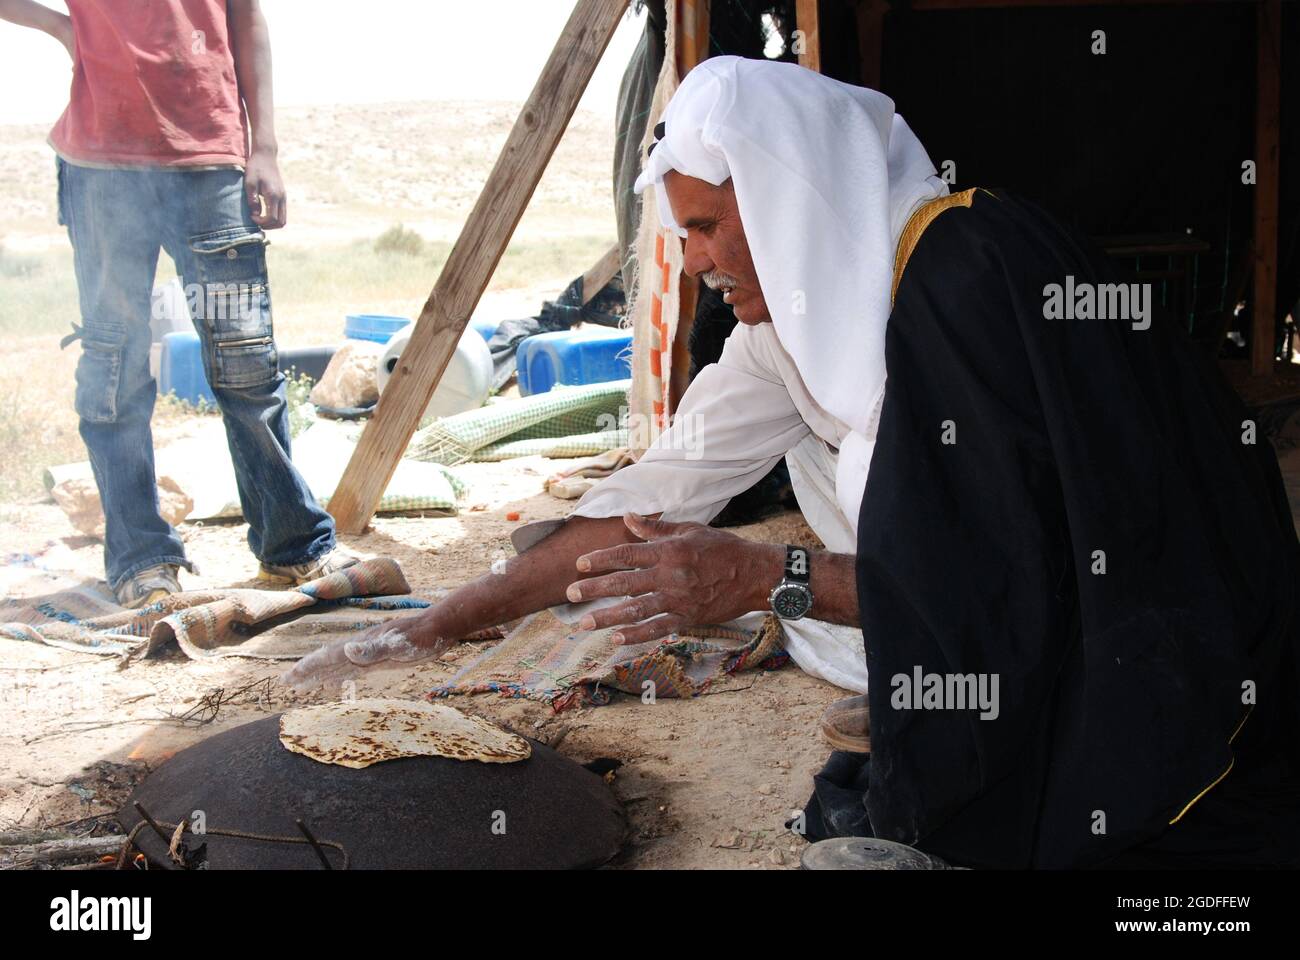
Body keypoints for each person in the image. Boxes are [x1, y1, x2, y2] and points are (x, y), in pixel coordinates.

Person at [284, 56, 1299, 868]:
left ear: (787, 197)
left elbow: (1021, 595)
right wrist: (430, 630)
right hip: (1006, 643)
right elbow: (645, 503)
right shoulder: (793, 337)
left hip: (1160, 651)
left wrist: (771, 577)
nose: (698, 262)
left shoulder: (969, 278)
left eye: (708, 226)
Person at [1, 0, 362, 606]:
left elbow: (245, 20)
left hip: (211, 163)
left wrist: (264, 148)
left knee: (247, 366)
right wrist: (64, 29)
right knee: (114, 372)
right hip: (101, 166)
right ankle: (141, 559)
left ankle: (294, 546)